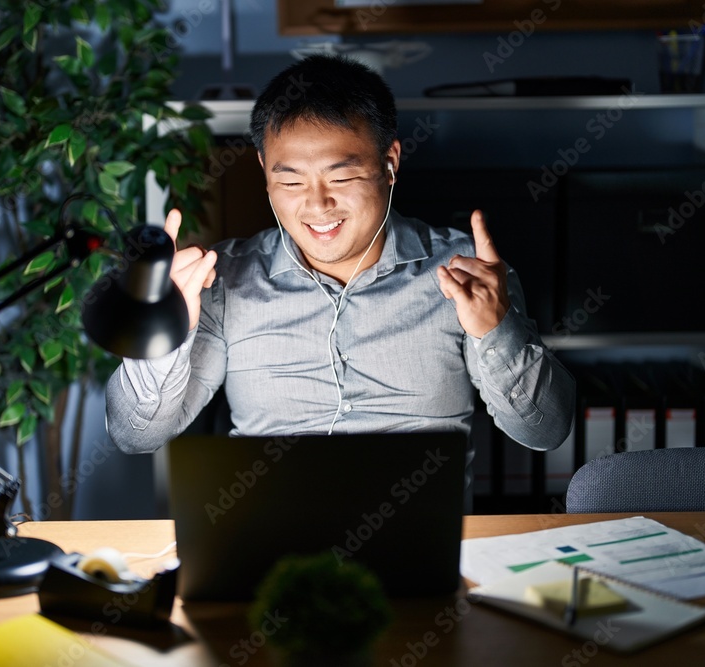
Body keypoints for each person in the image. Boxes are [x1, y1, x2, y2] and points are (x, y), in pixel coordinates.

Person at [105, 54, 574, 455]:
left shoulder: (466, 274)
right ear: (265, 172)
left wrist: (497, 329)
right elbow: (136, 435)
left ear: (389, 164)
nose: (316, 205)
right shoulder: (223, 280)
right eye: (290, 181)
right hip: (267, 543)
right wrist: (163, 331)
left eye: (341, 177)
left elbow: (547, 432)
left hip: (415, 545)